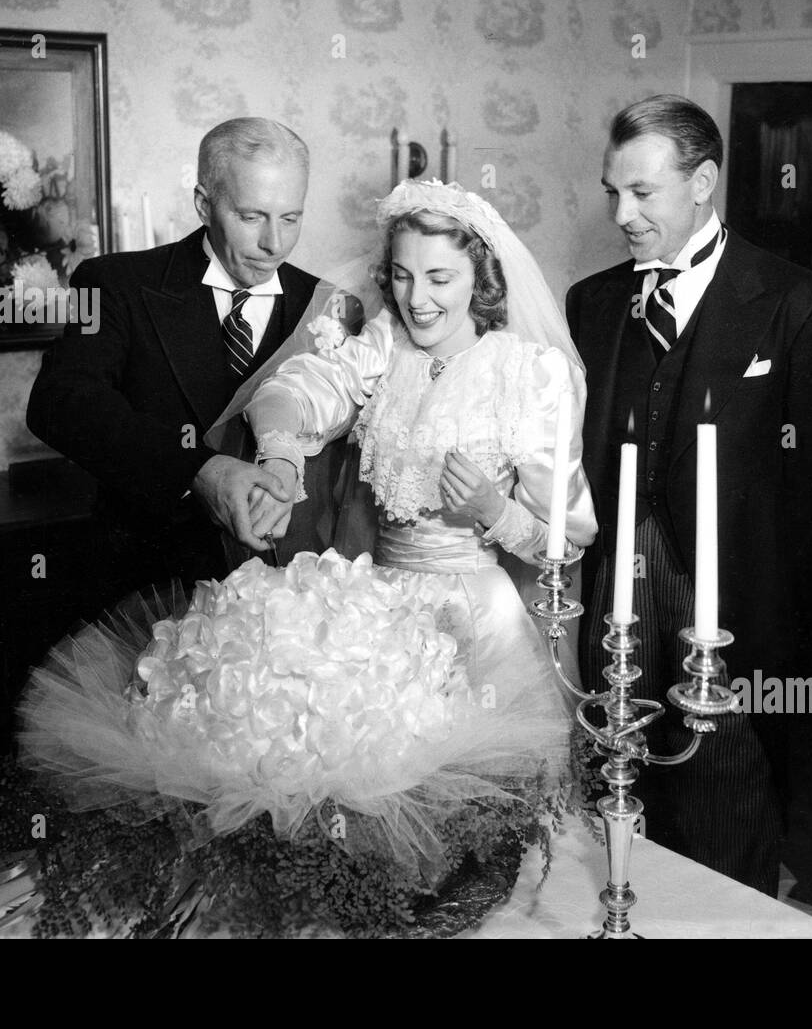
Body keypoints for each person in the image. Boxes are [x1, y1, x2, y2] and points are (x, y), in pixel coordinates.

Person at [566, 95, 812, 896]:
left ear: (702, 183)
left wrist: (779, 620)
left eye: (642, 193)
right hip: (615, 594)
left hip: (733, 607)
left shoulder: (801, 304)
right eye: (612, 193)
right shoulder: (592, 304)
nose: (621, 213)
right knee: (614, 770)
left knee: (723, 792)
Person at [237, 178, 598, 696]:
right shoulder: (386, 347)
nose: (416, 299)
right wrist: (281, 454)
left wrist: (493, 510)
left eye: (440, 278)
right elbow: (291, 391)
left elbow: (566, 543)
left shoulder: (529, 373)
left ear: (481, 279)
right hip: (376, 612)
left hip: (477, 621)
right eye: (403, 276)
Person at [26, 117, 343, 614]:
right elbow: (60, 403)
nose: (274, 244)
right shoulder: (112, 282)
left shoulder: (328, 306)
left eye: (291, 218)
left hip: (288, 603)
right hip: (151, 592)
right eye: (252, 216)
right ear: (203, 204)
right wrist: (197, 470)